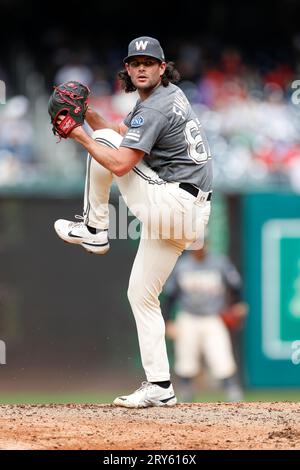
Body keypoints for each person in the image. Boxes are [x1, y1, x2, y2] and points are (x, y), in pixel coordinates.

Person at [53, 36, 213, 408]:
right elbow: (131, 137)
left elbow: (121, 161)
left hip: (174, 203)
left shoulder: (152, 108)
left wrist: (79, 133)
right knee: (141, 294)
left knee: (105, 141)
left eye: (149, 62)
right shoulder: (168, 97)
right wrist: (87, 114)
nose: (141, 67)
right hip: (186, 213)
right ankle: (160, 387)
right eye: (134, 62)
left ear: (162, 67)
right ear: (127, 69)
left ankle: (95, 228)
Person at [163, 241, 247, 402]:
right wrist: (168, 321)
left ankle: (232, 390)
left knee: (221, 354)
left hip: (212, 317)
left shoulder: (219, 262)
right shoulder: (182, 265)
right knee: (186, 357)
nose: (199, 247)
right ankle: (186, 391)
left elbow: (235, 284)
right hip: (188, 317)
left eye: (201, 243)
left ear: (206, 244)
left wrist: (238, 304)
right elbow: (170, 295)